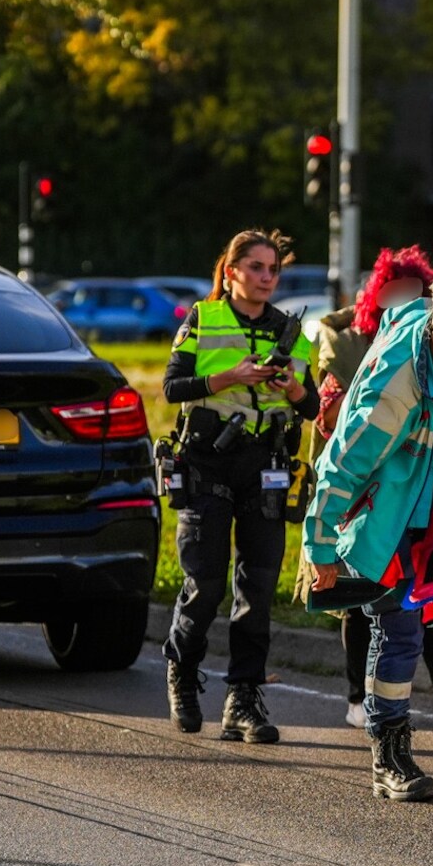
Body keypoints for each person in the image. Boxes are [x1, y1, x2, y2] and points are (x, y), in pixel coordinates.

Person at [304, 259, 433, 801]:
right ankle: (389, 758)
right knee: (399, 632)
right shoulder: (393, 390)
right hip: (388, 519)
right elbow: (340, 466)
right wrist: (319, 548)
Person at [161, 229, 319, 743]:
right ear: (230, 272)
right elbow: (171, 388)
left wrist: (290, 387)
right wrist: (230, 377)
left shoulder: (292, 333)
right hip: (208, 464)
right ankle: (183, 672)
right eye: (255, 268)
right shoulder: (202, 320)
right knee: (205, 585)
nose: (266, 278)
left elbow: (312, 406)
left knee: (257, 592)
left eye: (273, 270)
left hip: (266, 470)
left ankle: (243, 700)